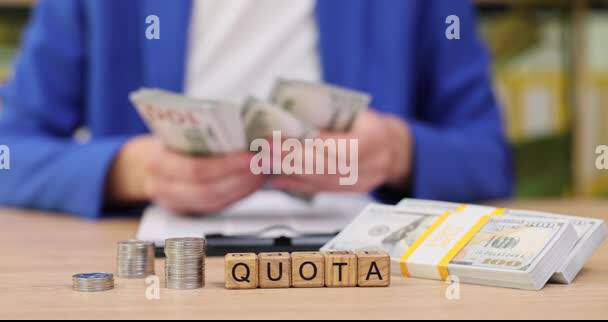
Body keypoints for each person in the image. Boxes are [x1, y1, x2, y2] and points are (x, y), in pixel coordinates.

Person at [0, 0, 513, 218]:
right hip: (161, 283)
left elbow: (488, 157)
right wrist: (130, 171)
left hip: (369, 278)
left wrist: (398, 151)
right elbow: (10, 152)